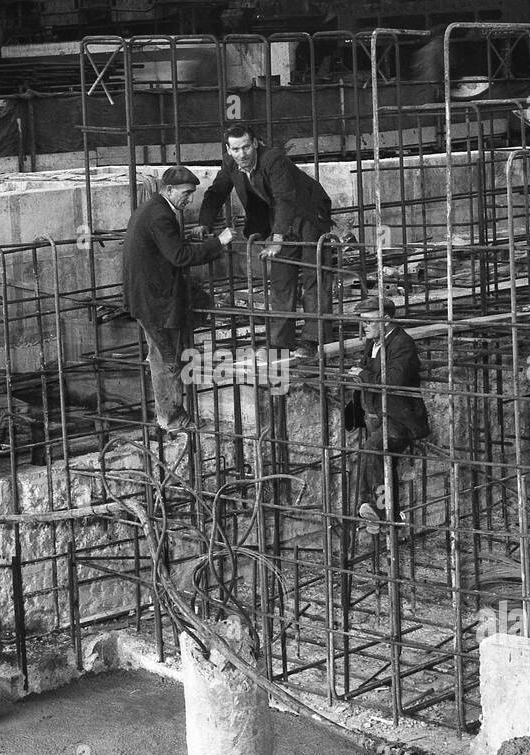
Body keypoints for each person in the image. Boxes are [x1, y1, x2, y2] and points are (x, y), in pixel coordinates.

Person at [198, 122, 334, 358]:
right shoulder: (231, 164)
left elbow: (284, 198)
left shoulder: (273, 159)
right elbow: (217, 192)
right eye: (236, 149)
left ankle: (313, 340)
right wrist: (204, 223)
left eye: (247, 147)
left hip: (308, 213)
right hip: (281, 218)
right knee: (281, 279)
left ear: (256, 144)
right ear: (228, 150)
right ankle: (280, 342)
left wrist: (277, 239)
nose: (243, 154)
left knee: (315, 275)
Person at [122, 166, 232, 433]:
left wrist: (187, 238)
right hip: (155, 301)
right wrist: (220, 242)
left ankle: (167, 415)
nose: (189, 200)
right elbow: (179, 257)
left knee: (161, 357)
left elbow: (168, 247)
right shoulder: (161, 215)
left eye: (192, 194)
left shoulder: (153, 209)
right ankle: (172, 419)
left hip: (147, 297)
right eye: (186, 193)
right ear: (169, 190)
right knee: (167, 359)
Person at [349, 300, 430, 532]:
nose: (364, 325)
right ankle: (385, 514)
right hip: (376, 414)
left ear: (385, 320)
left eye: (369, 320)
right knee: (382, 464)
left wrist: (363, 374)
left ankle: (378, 511)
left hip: (399, 418)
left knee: (373, 450)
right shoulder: (373, 342)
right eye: (362, 320)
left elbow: (392, 382)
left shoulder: (402, 343)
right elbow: (367, 370)